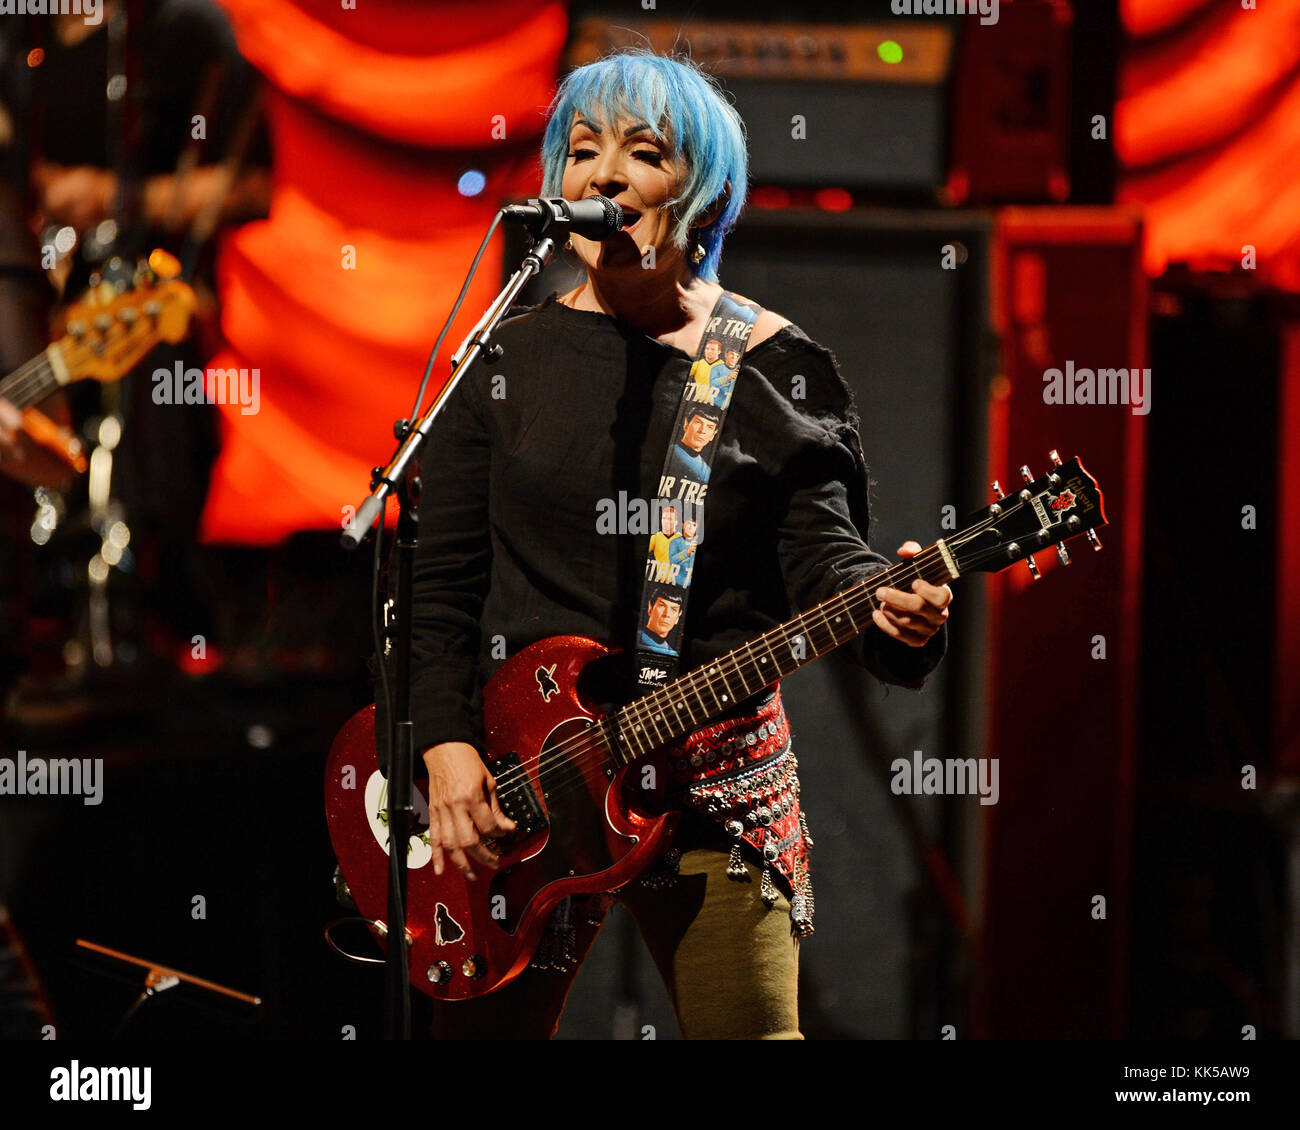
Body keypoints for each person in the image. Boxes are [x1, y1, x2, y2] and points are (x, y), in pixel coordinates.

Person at [409, 50, 952, 1040]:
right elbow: (436, 583)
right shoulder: (502, 358)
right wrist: (444, 746)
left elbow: (828, 561)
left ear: (703, 195)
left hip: (709, 780)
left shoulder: (771, 369)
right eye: (580, 151)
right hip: (523, 789)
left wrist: (891, 606)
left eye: (641, 153)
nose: (601, 175)